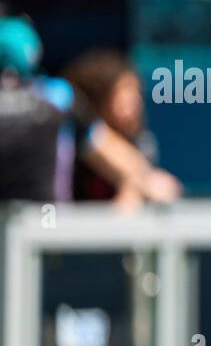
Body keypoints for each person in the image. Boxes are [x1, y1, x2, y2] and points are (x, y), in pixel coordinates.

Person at [0, 16, 180, 206]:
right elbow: (126, 164)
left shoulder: (57, 98)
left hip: (45, 218)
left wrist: (134, 191)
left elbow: (129, 167)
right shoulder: (57, 96)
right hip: (49, 218)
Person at [61, 48, 176, 205]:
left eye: (137, 93)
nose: (135, 104)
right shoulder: (69, 143)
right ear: (99, 100)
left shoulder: (143, 143)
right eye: (124, 94)